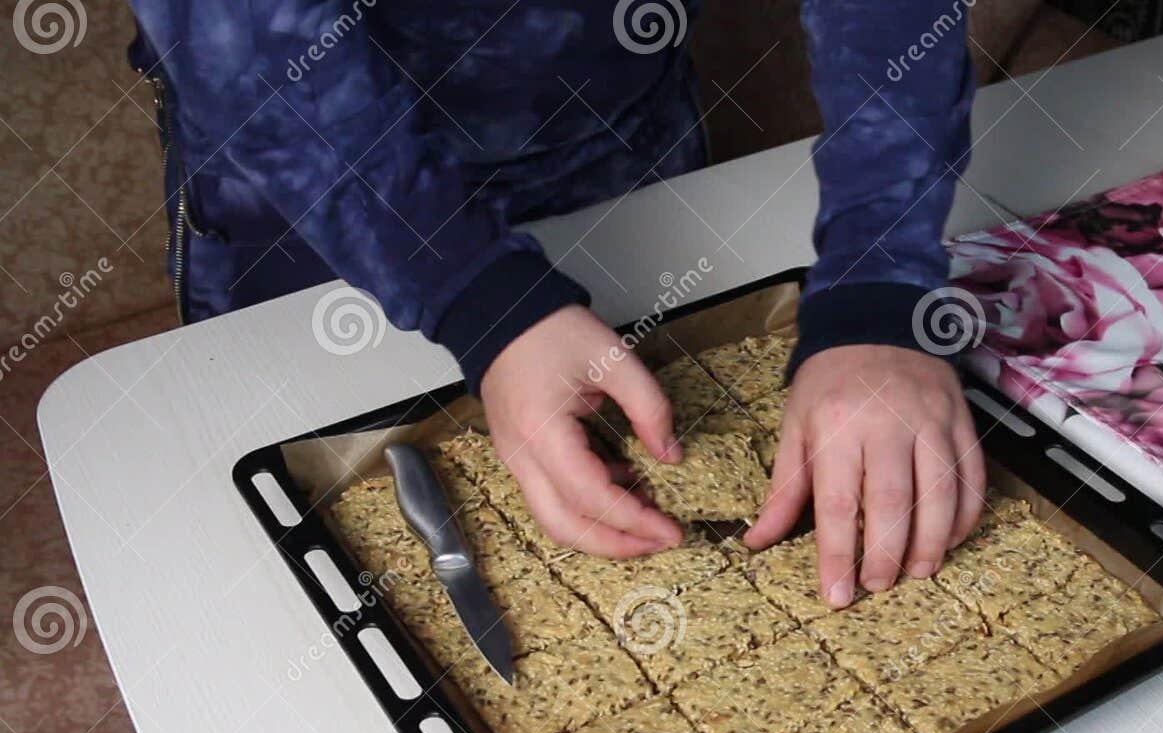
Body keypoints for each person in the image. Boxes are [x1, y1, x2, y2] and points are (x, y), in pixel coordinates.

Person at [127, 0, 985, 607]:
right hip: (319, 215)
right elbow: (242, 42)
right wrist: (478, 297)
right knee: (302, 599)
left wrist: (879, 281)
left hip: (622, 151)